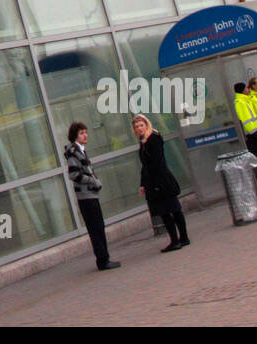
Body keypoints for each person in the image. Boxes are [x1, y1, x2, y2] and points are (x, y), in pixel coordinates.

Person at [64, 122, 120, 271]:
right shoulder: (73, 152)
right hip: (86, 196)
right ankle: (103, 260)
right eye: (82, 133)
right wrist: (93, 181)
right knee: (96, 229)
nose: (85, 135)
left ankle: (104, 258)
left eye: (86, 132)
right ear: (75, 135)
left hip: (90, 194)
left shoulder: (80, 150)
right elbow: (74, 174)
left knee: (99, 227)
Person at [133, 114, 189, 252]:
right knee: (169, 210)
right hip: (156, 180)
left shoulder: (153, 138)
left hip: (161, 181)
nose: (139, 129)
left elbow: (155, 162)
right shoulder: (143, 141)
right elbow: (145, 165)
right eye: (136, 127)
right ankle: (180, 239)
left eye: (141, 125)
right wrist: (143, 184)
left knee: (170, 210)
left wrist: (151, 182)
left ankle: (178, 239)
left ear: (146, 125)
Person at [232, 82, 257, 186]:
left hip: (255, 132)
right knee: (256, 158)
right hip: (252, 134)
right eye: (246, 88)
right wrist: (255, 133)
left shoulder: (246, 100)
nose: (248, 90)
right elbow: (245, 120)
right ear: (242, 90)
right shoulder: (240, 102)